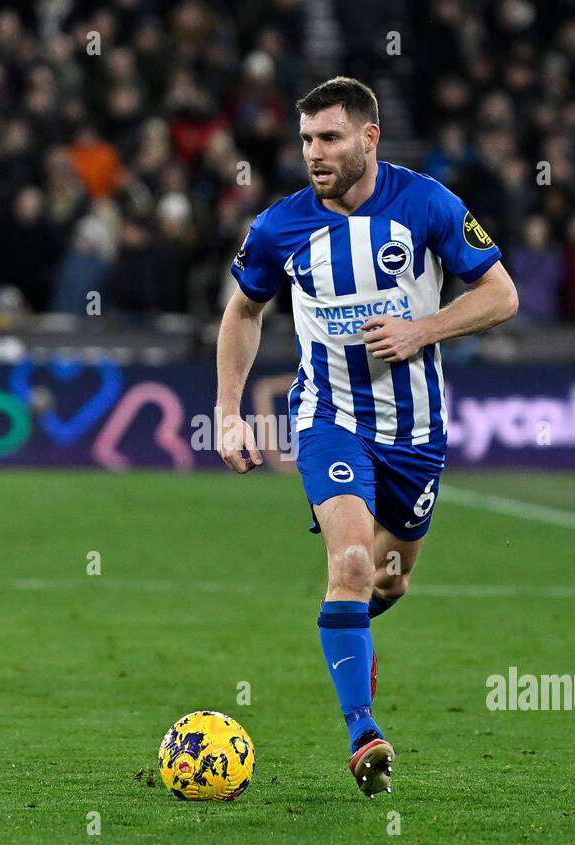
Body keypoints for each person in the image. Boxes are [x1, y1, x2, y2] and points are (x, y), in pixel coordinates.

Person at [214, 77, 518, 797]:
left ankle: (358, 618)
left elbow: (501, 293)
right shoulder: (278, 228)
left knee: (389, 576)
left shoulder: (428, 204)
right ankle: (363, 734)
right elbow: (243, 313)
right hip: (329, 422)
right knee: (350, 560)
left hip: (416, 436)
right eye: (307, 140)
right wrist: (229, 410)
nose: (314, 154)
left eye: (329, 139)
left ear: (368, 138)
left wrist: (424, 328)